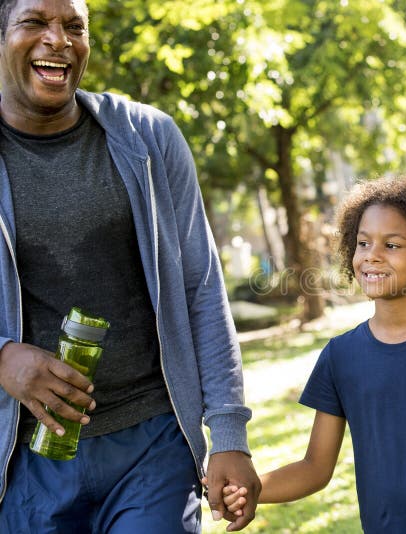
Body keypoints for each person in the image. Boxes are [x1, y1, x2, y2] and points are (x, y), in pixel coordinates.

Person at [0, 0, 260, 531]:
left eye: (75, 27)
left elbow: (201, 287)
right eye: (34, 23)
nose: (58, 39)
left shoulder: (148, 138)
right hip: (25, 457)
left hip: (152, 443)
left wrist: (229, 434)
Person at [213, 175, 406, 533]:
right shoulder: (340, 357)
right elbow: (315, 467)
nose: (372, 255)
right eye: (363, 242)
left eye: (392, 245)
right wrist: (253, 489)